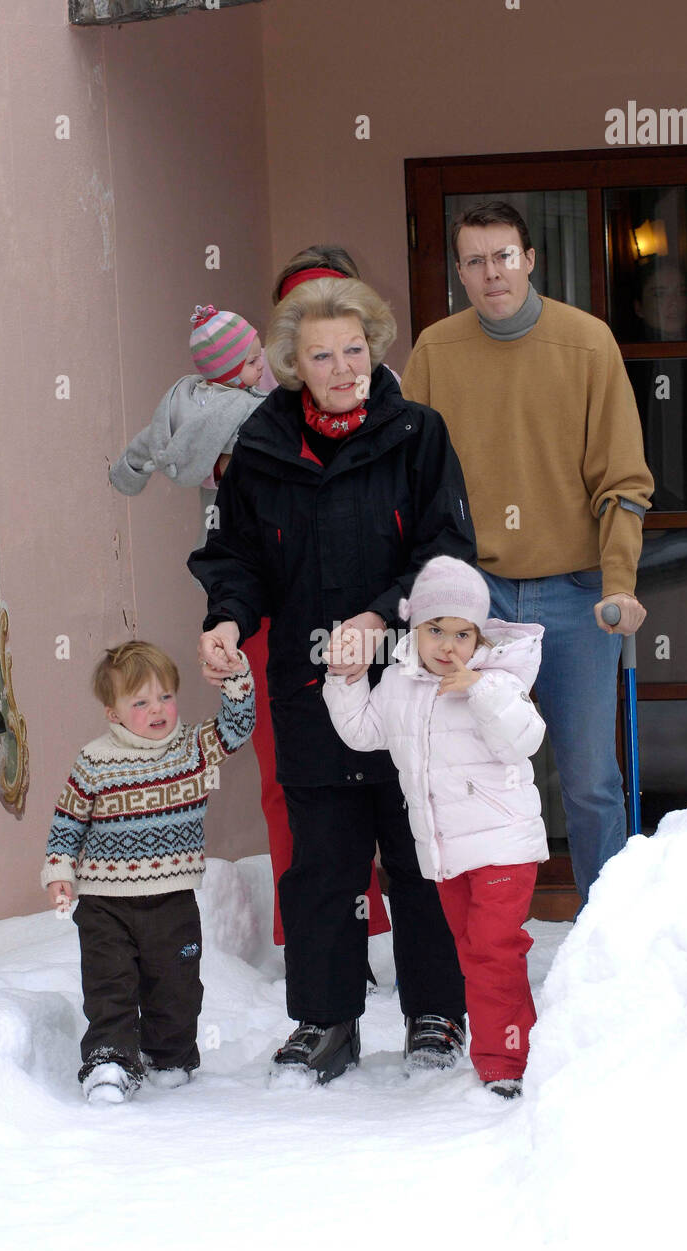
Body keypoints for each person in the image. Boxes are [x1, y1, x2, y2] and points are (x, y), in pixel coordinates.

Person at [188, 275, 477, 1084]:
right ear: (292, 365)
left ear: (374, 347)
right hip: (308, 689)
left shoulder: (416, 433)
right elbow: (236, 560)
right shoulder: (262, 447)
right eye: (323, 355)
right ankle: (325, 1020)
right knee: (320, 861)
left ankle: (434, 1013)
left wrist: (382, 616)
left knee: (417, 850)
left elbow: (447, 550)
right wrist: (225, 623)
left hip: (408, 685)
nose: (344, 367)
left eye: (354, 348)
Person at [402, 200, 655, 910]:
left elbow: (623, 481)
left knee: (588, 780)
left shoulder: (586, 342)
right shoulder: (434, 350)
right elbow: (410, 481)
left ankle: (605, 934)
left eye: (503, 256)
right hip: (475, 600)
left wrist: (618, 579)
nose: (492, 274)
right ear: (458, 272)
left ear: (530, 259)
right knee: (472, 775)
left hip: (577, 596)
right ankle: (481, 940)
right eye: (475, 261)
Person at [324, 557, 547, 1098]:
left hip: (502, 846)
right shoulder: (401, 684)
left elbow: (524, 740)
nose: (448, 645)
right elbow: (362, 732)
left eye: (462, 633)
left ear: (479, 636)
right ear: (414, 630)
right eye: (435, 630)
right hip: (445, 854)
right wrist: (342, 677)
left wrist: (482, 689)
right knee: (472, 953)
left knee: (495, 950)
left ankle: (506, 1066)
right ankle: (514, 1049)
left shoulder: (498, 679)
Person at [241, 245, 393, 951]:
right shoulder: (258, 426)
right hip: (279, 623)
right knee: (294, 787)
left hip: (380, 626)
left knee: (387, 784)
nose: (333, 361)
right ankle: (316, 937)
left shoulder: (401, 418)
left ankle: (408, 949)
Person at [41, 640, 255, 1103]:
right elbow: (68, 819)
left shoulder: (193, 748)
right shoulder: (94, 760)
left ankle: (169, 1057)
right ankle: (109, 1062)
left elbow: (238, 727)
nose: (157, 709)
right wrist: (59, 869)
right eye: (140, 702)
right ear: (113, 713)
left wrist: (236, 677)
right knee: (109, 984)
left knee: (176, 986)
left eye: (165, 696)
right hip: (104, 904)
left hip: (172, 900)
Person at [110, 306, 267, 496]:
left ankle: (122, 479)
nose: (261, 365)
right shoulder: (242, 405)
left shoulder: (186, 395)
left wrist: (125, 476)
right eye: (252, 361)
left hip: (185, 467)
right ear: (226, 372)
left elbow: (150, 438)